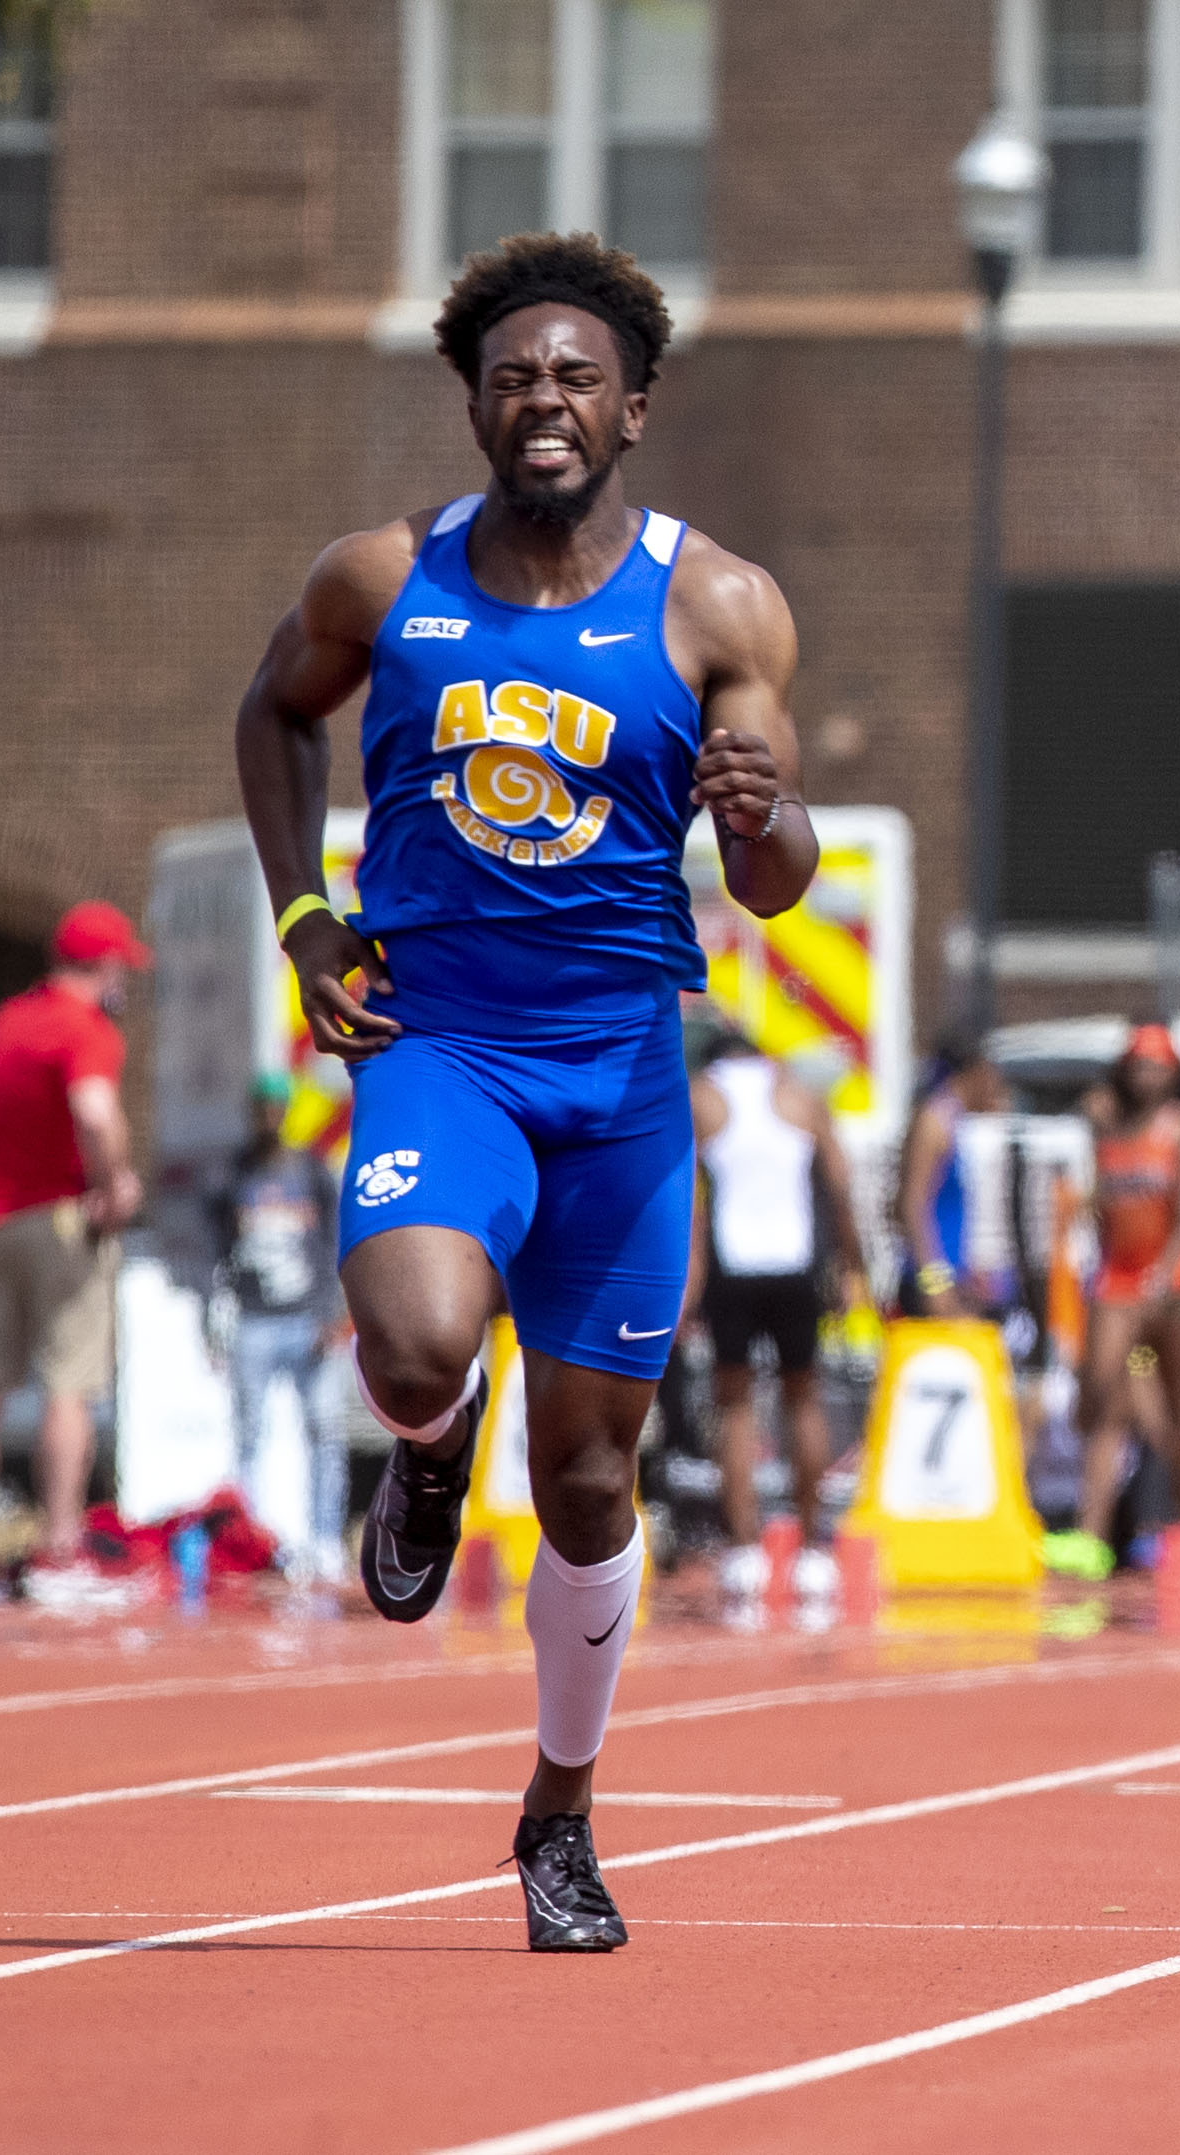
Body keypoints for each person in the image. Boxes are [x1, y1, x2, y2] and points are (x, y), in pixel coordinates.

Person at [232, 233, 814, 1949]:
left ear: (631, 409)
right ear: (473, 405)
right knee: (413, 1345)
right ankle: (426, 1444)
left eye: (573, 378)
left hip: (622, 1073)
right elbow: (273, 719)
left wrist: (759, 807)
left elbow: (775, 881)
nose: (541, 401)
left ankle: (559, 1811)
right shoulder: (377, 580)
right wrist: (304, 913)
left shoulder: (722, 605)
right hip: (443, 1047)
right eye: (510, 378)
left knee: (586, 1487)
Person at [0, 901, 148, 1609]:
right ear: (103, 963)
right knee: (69, 1383)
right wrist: (114, 1183)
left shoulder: (8, 1019)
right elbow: (93, 1110)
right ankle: (61, 1549)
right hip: (63, 1220)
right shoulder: (83, 1026)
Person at [686, 1029, 860, 1604]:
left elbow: (690, 1199)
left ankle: (745, 1551)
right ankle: (813, 1550)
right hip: (797, 1267)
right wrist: (852, 1266)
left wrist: (688, 1288)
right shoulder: (799, 1094)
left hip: (733, 1268)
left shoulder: (702, 1096)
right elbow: (839, 1183)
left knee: (734, 1407)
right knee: (802, 1401)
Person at [1081, 1025, 1180, 1546]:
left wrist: (1161, 1275)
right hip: (1120, 1280)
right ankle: (1093, 1532)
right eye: (1139, 1065)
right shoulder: (1109, 1128)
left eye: (1157, 1065)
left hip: (1178, 1284)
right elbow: (1102, 1210)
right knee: (1103, 1396)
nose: (1147, 1075)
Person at [218, 1074, 345, 1586]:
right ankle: (252, 1538)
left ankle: (326, 1537)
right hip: (254, 1319)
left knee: (324, 1429)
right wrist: (218, 1305)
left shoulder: (311, 1171)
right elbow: (217, 1243)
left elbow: (337, 1239)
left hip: (308, 1317)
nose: (267, 1117)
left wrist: (335, 1311)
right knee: (249, 1434)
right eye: (260, 1108)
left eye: (276, 1108)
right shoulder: (233, 1175)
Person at [896, 1034, 1010, 1319]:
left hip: (952, 1276)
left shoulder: (953, 1120)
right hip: (929, 1279)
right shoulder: (934, 1121)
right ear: (977, 1072)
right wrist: (935, 1284)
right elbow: (912, 1204)